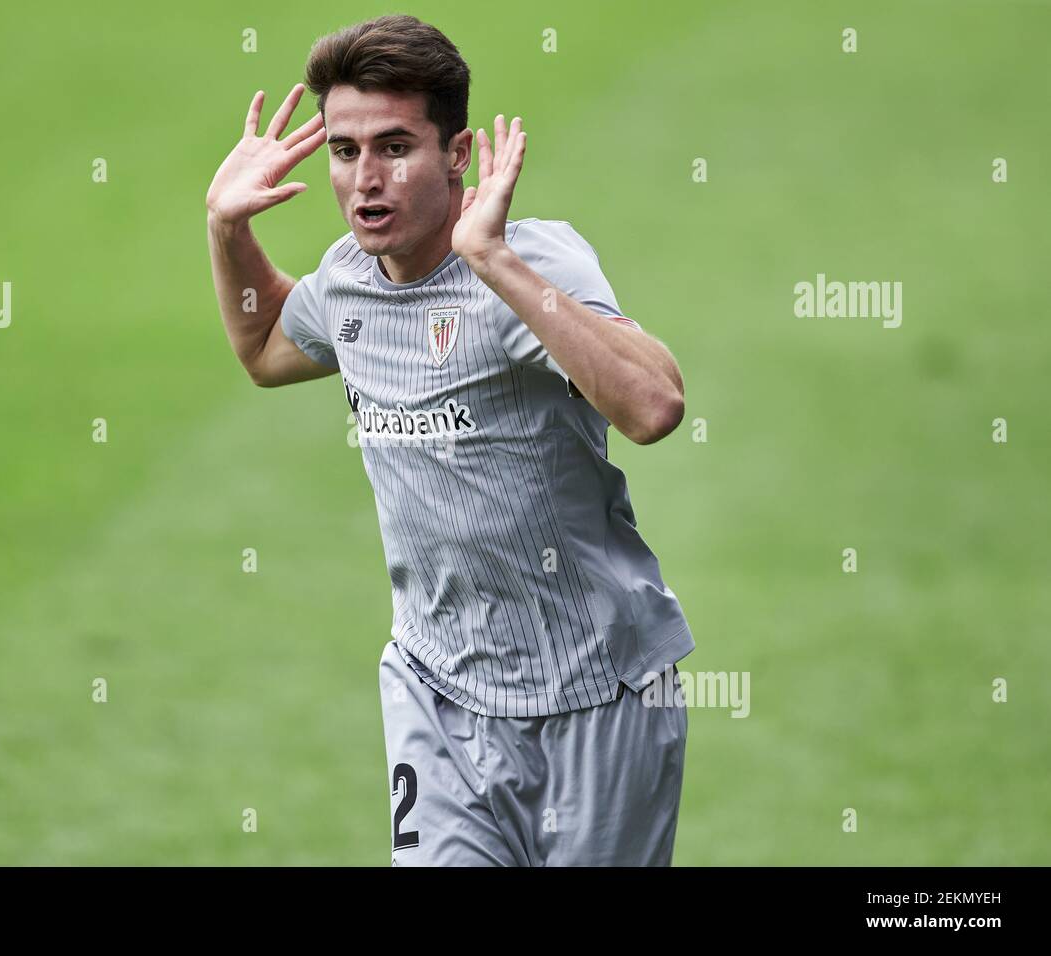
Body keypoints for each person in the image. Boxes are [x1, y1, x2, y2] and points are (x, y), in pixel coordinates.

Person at [206, 14, 693, 866]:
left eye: (396, 147)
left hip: (602, 699)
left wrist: (495, 263)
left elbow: (654, 406)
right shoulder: (348, 285)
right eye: (346, 151)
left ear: (458, 153)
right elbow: (265, 346)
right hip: (437, 692)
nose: (367, 179)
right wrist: (227, 229)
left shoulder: (537, 263)